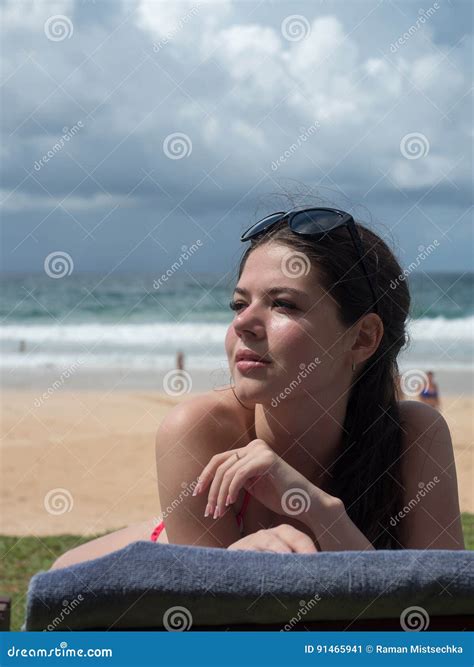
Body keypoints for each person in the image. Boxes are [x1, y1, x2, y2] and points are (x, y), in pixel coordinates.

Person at [51, 205, 464, 568]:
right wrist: (239, 570)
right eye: (239, 303)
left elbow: (443, 629)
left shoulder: (412, 436)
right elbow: (224, 639)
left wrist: (323, 513)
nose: (242, 323)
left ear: (362, 339)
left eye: (283, 303)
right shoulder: (200, 430)